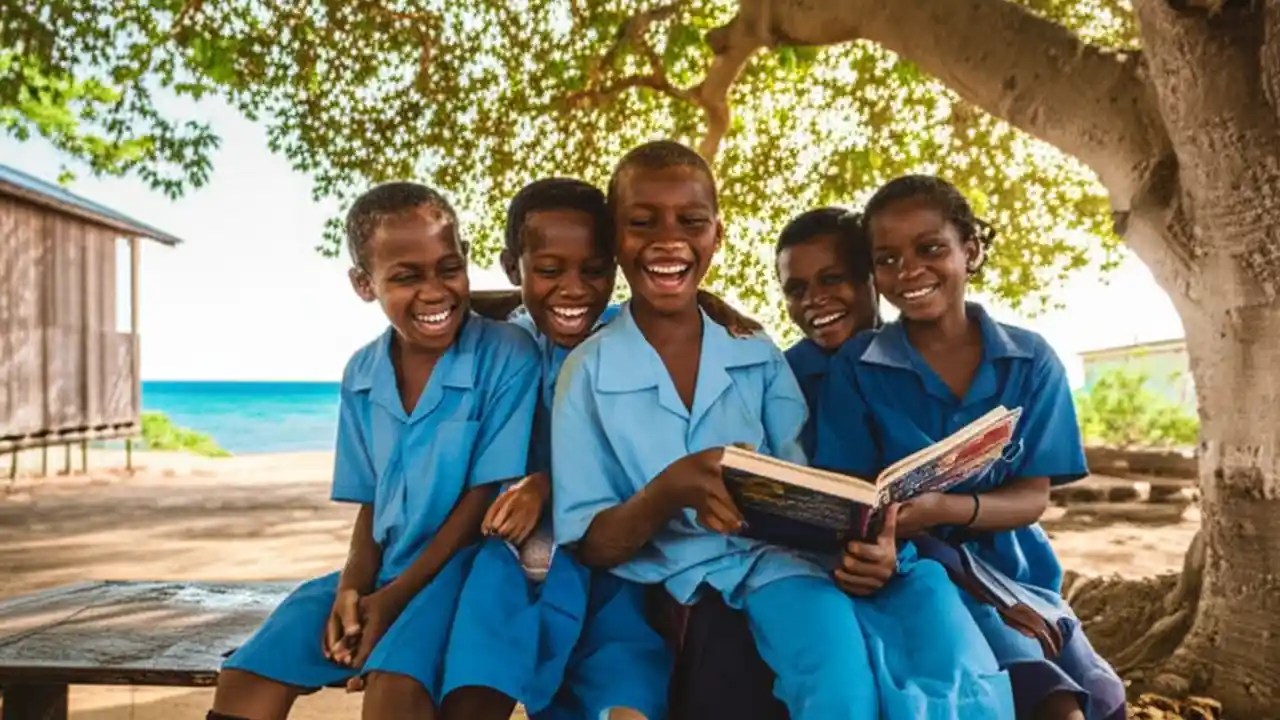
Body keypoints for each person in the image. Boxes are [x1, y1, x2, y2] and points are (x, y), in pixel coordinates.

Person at [552, 141, 1013, 720]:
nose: (668, 239)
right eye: (641, 223)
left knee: (937, 632)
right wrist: (672, 488)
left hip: (787, 559)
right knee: (837, 674)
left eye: (690, 222)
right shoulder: (586, 373)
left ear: (717, 235)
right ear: (615, 239)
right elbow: (591, 541)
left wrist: (873, 544)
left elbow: (814, 490)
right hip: (698, 574)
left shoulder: (757, 355)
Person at [209, 183, 540, 720]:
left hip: (464, 571)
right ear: (365, 284)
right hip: (386, 569)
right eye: (406, 276)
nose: (434, 291)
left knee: (395, 690)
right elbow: (372, 503)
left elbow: (482, 497)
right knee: (248, 676)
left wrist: (393, 600)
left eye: (448, 268)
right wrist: (351, 588)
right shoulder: (362, 374)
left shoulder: (507, 355)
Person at [815, 174, 1125, 720]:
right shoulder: (857, 366)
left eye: (930, 248)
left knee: (1070, 696)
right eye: (886, 259)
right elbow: (848, 496)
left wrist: (942, 509)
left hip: (1013, 571)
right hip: (906, 569)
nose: (908, 270)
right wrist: (888, 535)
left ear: (971, 250)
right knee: (1031, 694)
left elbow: (1032, 497)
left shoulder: (1030, 361)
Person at [447, 177, 758, 720]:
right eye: (548, 271)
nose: (574, 289)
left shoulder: (629, 340)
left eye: (594, 271)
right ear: (513, 268)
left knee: (622, 682)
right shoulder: (508, 342)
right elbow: (471, 307)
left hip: (611, 558)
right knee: (480, 670)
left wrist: (545, 484)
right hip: (511, 554)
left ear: (615, 267)